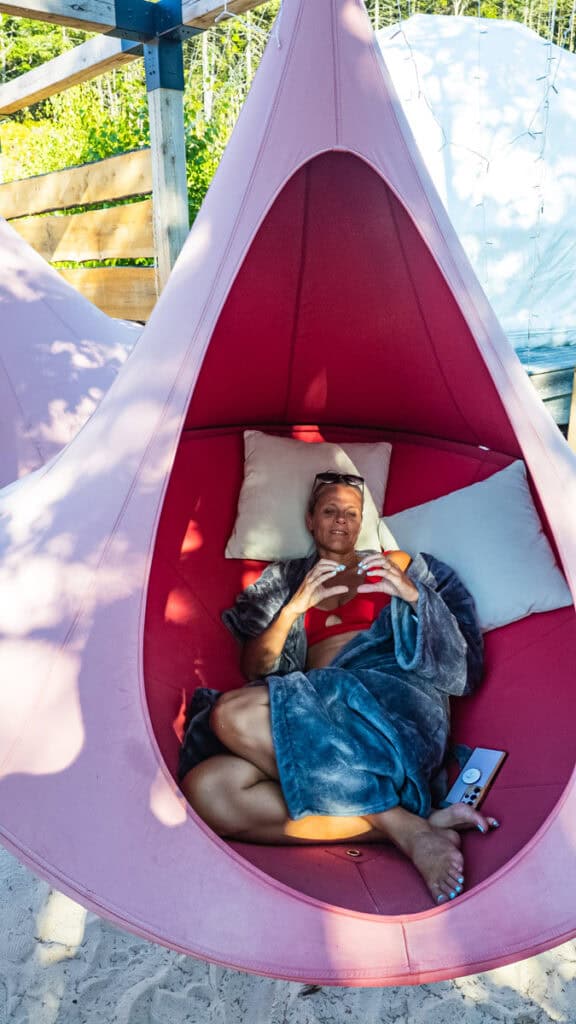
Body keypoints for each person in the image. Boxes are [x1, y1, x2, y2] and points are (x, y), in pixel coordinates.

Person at [180, 471, 498, 905]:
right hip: (315, 715)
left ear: (362, 520)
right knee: (208, 790)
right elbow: (253, 666)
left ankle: (398, 822)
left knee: (231, 715)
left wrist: (412, 596)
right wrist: (294, 609)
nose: (341, 521)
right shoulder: (288, 581)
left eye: (352, 512)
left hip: (388, 710)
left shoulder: (402, 566)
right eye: (330, 510)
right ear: (310, 521)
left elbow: (463, 666)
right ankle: (405, 823)